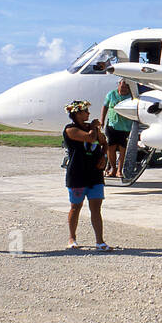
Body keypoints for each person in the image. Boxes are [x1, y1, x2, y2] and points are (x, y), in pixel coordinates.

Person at [63, 100, 113, 251]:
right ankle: (72, 237)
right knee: (75, 207)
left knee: (96, 207)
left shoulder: (92, 129)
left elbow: (104, 143)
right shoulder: (70, 130)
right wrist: (93, 127)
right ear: (77, 114)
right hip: (77, 173)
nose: (89, 114)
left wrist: (103, 157)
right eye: (85, 111)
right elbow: (90, 138)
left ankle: (100, 241)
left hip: (94, 174)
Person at [101, 79, 134, 178]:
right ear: (118, 85)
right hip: (112, 125)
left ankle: (119, 170)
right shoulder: (111, 94)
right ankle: (113, 168)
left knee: (122, 149)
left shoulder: (132, 96)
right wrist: (102, 120)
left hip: (126, 126)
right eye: (122, 86)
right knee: (111, 148)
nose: (124, 89)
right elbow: (105, 106)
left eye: (126, 87)